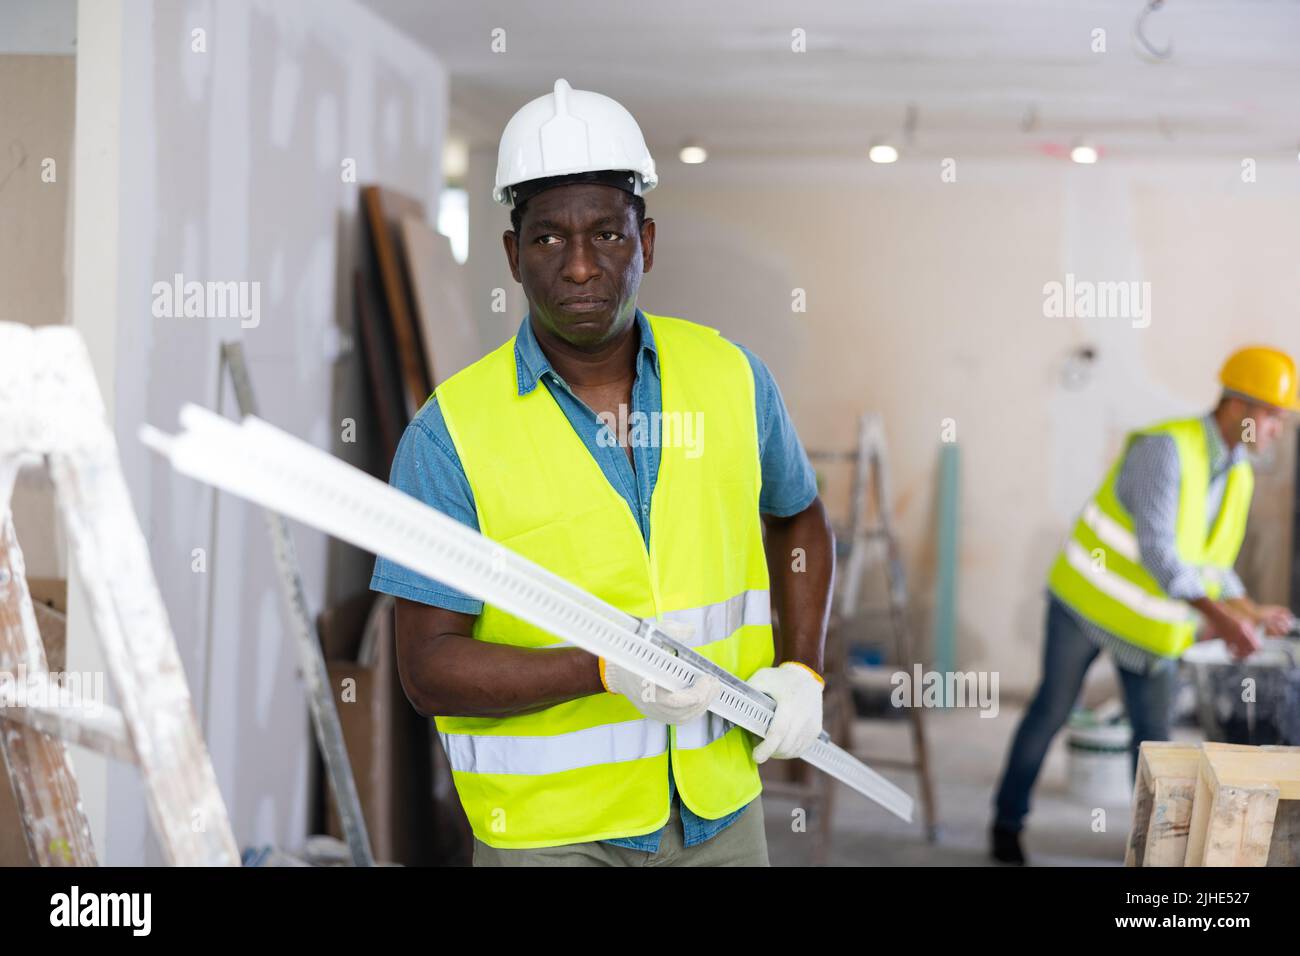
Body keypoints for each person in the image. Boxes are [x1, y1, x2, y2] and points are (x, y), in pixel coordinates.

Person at [370, 79, 834, 866]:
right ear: (513, 256)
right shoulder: (448, 435)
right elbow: (428, 669)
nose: (581, 267)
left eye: (607, 236)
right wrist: (602, 670)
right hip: (550, 838)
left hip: (721, 816)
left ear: (645, 243)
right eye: (548, 239)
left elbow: (798, 518)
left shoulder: (732, 379)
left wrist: (802, 669)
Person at [991, 346, 1300, 864]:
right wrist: (1225, 622)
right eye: (1271, 417)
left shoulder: (1239, 473)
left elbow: (1214, 564)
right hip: (1086, 608)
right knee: (1050, 710)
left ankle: (1153, 855)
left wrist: (1250, 609)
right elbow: (1160, 553)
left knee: (1158, 747)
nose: (1275, 431)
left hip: (1147, 630)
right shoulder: (1166, 448)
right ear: (1237, 407)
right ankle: (1006, 826)